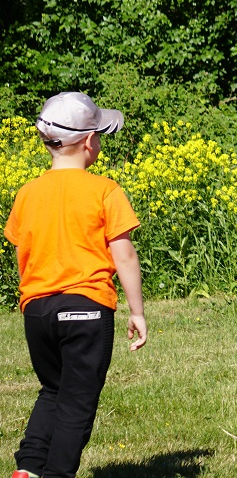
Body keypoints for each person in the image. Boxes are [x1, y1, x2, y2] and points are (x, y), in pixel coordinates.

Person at [4, 92, 147, 478]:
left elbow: (24, 255)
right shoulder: (104, 190)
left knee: (53, 390)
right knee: (77, 402)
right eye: (100, 135)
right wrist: (136, 311)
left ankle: (28, 468)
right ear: (88, 141)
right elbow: (124, 255)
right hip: (86, 307)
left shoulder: (27, 193)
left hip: (36, 312)